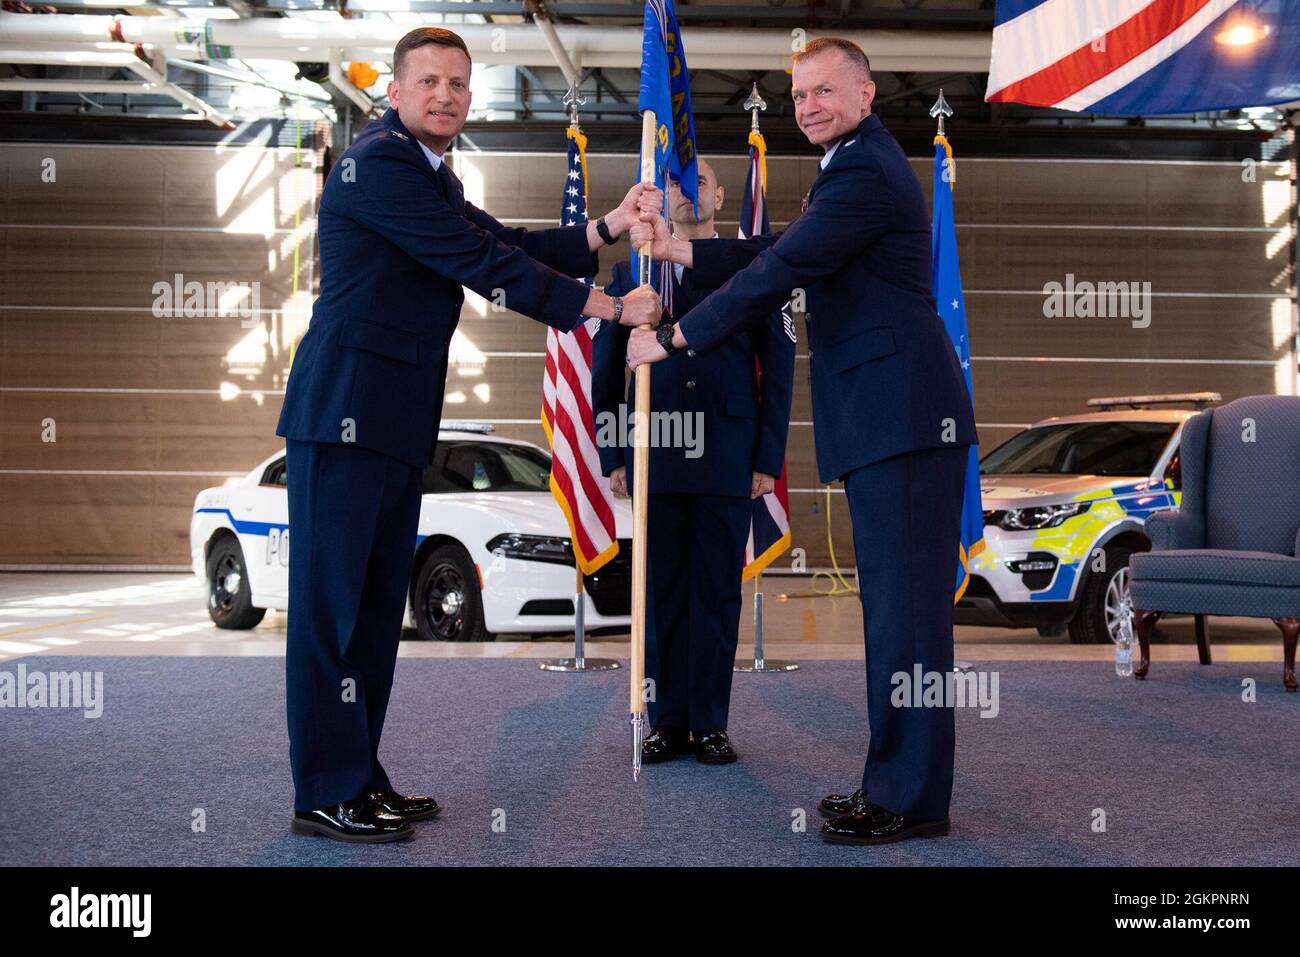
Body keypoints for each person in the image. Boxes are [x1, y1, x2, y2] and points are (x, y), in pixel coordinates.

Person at [276, 26, 660, 843]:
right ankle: (323, 790)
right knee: (332, 611)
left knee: (377, 613)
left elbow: (509, 243)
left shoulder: (430, 173)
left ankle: (359, 775)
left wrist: (608, 226)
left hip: (391, 421)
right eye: (430, 82)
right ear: (395, 91)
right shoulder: (379, 162)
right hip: (343, 416)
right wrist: (607, 308)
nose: (446, 95)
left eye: (458, 83)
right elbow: (482, 265)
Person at [628, 37, 976, 845]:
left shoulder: (861, 167)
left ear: (865, 91)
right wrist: (681, 247)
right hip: (889, 418)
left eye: (824, 90)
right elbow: (775, 253)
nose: (809, 105)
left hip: (905, 417)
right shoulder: (852, 165)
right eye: (799, 95)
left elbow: (776, 274)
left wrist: (676, 340)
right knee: (896, 613)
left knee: (910, 618)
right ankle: (896, 783)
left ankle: (910, 797)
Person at [592, 159, 794, 766]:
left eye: (698, 182)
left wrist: (767, 455)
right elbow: (605, 371)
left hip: (727, 454)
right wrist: (612, 448)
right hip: (654, 451)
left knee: (714, 594)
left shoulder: (753, 268)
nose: (687, 193)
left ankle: (708, 723)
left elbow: (779, 369)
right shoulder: (631, 270)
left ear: (721, 194)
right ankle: (664, 721)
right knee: (659, 594)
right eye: (676, 184)